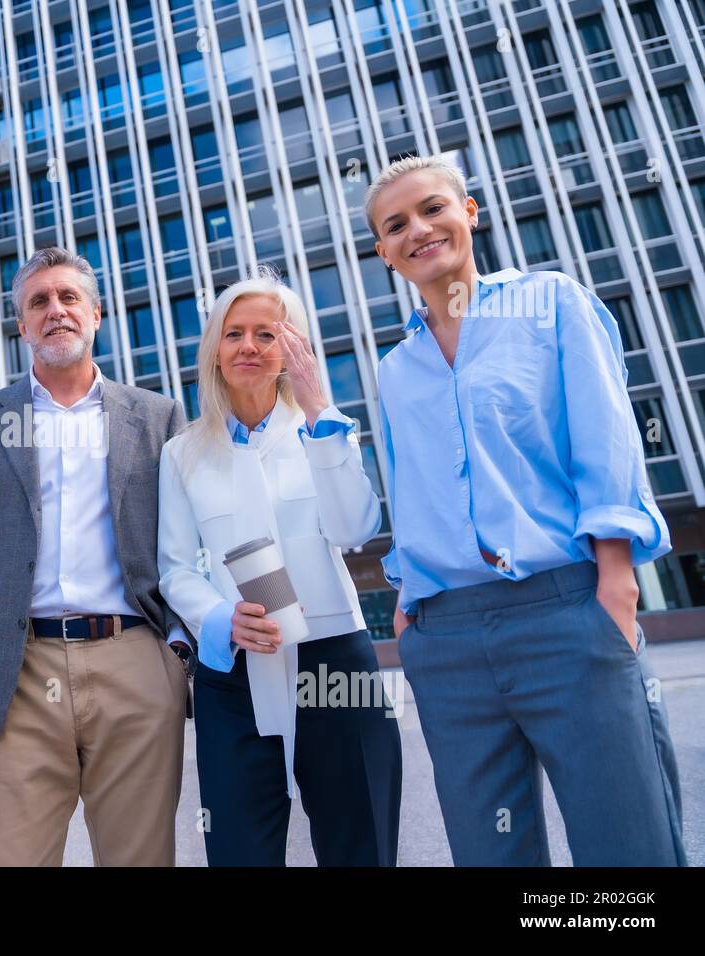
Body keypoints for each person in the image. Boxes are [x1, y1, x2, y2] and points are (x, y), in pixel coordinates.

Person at [369, 153, 685, 866]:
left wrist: (614, 582)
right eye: (396, 226)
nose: (419, 230)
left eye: (433, 209)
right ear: (384, 252)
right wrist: (409, 601)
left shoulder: (551, 305)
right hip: (445, 637)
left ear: (470, 212)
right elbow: (411, 488)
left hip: (567, 612)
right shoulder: (395, 369)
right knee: (491, 854)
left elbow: (604, 441)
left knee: (626, 851)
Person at [0, 247, 193, 866]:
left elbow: (187, 546)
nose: (56, 311)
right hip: (11, 676)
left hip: (135, 663)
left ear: (96, 314)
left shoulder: (157, 418)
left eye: (69, 298)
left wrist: (177, 652)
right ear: (21, 326)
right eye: (38, 302)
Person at [157, 274, 400, 866]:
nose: (248, 346)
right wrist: (219, 618)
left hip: (332, 660)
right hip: (234, 669)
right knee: (241, 849)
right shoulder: (183, 452)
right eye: (233, 333)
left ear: (291, 347)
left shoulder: (323, 430)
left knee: (359, 839)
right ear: (214, 348)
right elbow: (175, 567)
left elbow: (354, 529)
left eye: (266, 334)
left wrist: (319, 410)